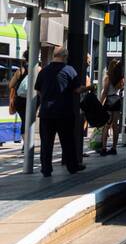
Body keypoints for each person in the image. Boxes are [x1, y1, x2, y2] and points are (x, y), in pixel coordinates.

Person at [34, 46, 81, 176]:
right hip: (64, 112)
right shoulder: (70, 70)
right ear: (65, 56)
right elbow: (77, 90)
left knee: (46, 143)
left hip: (46, 113)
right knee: (67, 141)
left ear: (54, 55)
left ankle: (46, 169)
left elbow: (38, 90)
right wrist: (88, 88)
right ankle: (72, 167)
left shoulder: (44, 71)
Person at [9, 53, 37, 142]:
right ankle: (29, 143)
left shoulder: (20, 71)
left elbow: (11, 85)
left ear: (25, 59)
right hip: (33, 99)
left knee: (24, 121)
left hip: (20, 100)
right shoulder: (39, 70)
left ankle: (26, 144)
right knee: (30, 121)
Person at [99, 59, 124, 155]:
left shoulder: (108, 78)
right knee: (115, 126)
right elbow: (121, 88)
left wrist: (100, 103)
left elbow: (105, 92)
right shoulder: (121, 79)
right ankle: (114, 147)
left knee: (106, 125)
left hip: (109, 102)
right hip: (117, 101)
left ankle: (104, 148)